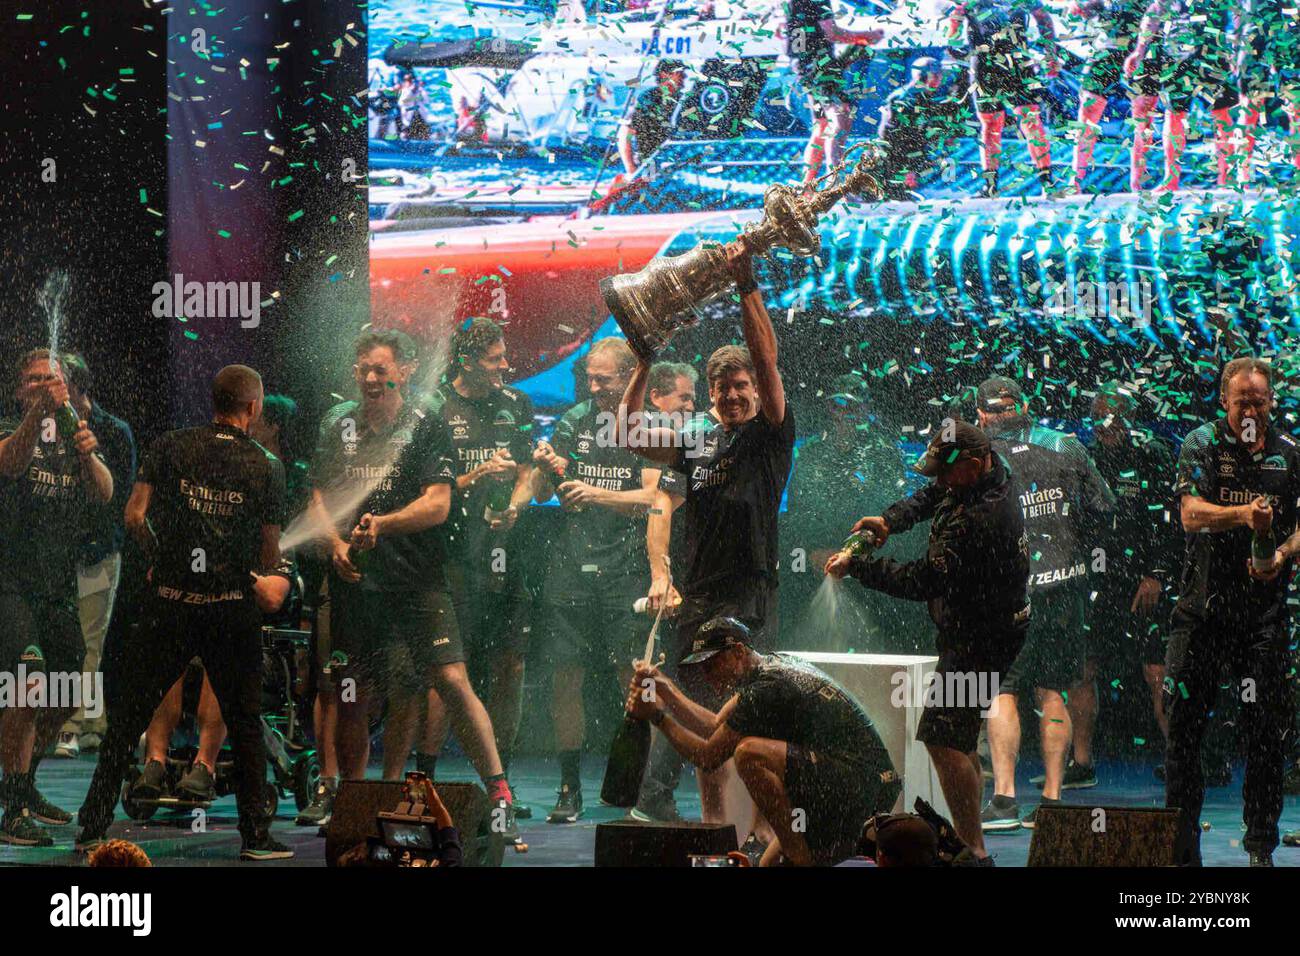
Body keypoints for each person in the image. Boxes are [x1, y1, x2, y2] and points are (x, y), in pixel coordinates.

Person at [616, 241, 796, 844]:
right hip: (697, 599)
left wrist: (747, 285)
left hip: (751, 597)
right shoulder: (695, 442)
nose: (734, 395)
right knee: (702, 726)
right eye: (724, 389)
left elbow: (769, 363)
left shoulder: (771, 434)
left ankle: (772, 840)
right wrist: (643, 361)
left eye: (741, 385)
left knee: (747, 723)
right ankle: (718, 836)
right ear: (712, 395)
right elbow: (626, 432)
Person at [307, 330, 519, 839]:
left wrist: (382, 524)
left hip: (418, 579)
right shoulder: (338, 425)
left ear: (404, 371)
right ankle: (351, 800)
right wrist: (334, 540)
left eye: (382, 369)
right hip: (356, 582)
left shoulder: (426, 424)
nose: (372, 378)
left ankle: (499, 792)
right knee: (350, 690)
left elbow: (438, 503)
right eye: (364, 369)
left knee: (449, 680)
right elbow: (319, 491)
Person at [76, 365, 288, 860]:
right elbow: (268, 551)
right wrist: (254, 576)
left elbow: (133, 516)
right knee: (247, 721)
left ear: (212, 402)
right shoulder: (265, 465)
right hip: (229, 608)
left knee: (128, 719)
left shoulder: (170, 445)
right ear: (253, 408)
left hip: (169, 603)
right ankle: (256, 838)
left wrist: (162, 561)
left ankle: (91, 826)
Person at [826, 420, 1030, 863]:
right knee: (957, 734)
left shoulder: (981, 518)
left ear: (975, 465)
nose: (939, 481)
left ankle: (972, 850)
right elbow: (933, 494)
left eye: (946, 472)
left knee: (941, 736)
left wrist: (861, 568)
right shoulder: (986, 473)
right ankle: (971, 840)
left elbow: (923, 580)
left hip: (981, 638)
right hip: (988, 625)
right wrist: (889, 521)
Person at [625, 616, 901, 866]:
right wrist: (667, 688)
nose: (707, 675)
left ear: (738, 652)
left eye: (713, 664)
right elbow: (714, 726)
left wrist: (658, 718)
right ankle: (797, 852)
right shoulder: (770, 665)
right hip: (863, 781)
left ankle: (800, 859)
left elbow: (708, 757)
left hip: (863, 785)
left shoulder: (765, 689)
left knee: (749, 753)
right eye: (702, 668)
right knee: (767, 864)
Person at [1165, 357, 1299, 867]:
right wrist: (1244, 514)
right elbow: (1190, 514)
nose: (1250, 409)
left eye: (1259, 401)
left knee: (1265, 734)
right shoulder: (1201, 443)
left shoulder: (1290, 455)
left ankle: (1261, 847)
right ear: (1224, 400)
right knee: (1184, 734)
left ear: (1271, 403)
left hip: (1262, 618)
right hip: (1201, 614)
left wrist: (1283, 553)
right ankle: (1182, 855)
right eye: (1241, 400)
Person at [531, 337, 661, 824]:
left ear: (629, 376)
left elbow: (652, 499)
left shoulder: (649, 426)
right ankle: (569, 787)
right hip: (570, 567)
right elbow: (549, 490)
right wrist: (546, 469)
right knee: (567, 676)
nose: (593, 385)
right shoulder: (572, 421)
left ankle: (635, 784)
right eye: (589, 377)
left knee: (631, 678)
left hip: (626, 569)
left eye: (603, 378)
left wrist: (595, 493)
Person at [975, 376, 1113, 831]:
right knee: (1053, 689)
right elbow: (1104, 504)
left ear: (981, 414)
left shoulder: (978, 454)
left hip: (1008, 591)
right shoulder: (1066, 445)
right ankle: (1052, 799)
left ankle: (1004, 799)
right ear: (1024, 406)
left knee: (1002, 690)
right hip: (1065, 587)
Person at [417, 318, 536, 818]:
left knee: (510, 666)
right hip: (450, 561)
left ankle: (501, 781)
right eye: (495, 360)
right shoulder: (434, 410)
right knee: (449, 674)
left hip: (507, 561)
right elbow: (429, 490)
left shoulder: (517, 405)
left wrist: (516, 504)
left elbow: (529, 468)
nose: (505, 367)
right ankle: (422, 778)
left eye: (505, 357)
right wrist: (476, 475)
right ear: (466, 361)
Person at [0, 350, 113, 845]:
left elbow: (105, 494)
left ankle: (24, 787)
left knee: (67, 690)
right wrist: (35, 417)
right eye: (34, 380)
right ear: (20, 388)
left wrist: (87, 450)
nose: (45, 386)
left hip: (57, 584)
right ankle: (10, 806)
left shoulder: (75, 429)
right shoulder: (10, 423)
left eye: (53, 380)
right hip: (11, 581)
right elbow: (10, 463)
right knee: (28, 681)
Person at [1065, 387, 1179, 785]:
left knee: (1157, 670)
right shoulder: (1083, 457)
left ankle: (1179, 757)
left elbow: (1169, 520)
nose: (1106, 424)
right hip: (1096, 582)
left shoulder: (1151, 455)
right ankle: (1081, 763)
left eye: (1114, 415)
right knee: (1084, 667)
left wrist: (1158, 575)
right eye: (1098, 416)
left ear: (1129, 417)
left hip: (1143, 582)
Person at [781, 374, 929, 654]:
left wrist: (855, 556)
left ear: (867, 409)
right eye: (839, 405)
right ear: (829, 408)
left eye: (853, 407)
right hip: (817, 564)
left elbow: (892, 516)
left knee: (875, 650)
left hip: (868, 570)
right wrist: (813, 551)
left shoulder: (885, 454)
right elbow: (796, 514)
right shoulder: (811, 454)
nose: (845, 413)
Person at [127, 562, 293, 804]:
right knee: (168, 649)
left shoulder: (277, 556)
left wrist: (235, 569)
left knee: (223, 650)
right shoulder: (200, 549)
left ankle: (205, 764)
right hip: (198, 646)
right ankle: (155, 762)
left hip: (259, 655)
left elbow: (272, 598)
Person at [631, 360, 716, 823]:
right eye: (686, 397)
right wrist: (661, 573)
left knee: (708, 695)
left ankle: (722, 812)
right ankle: (654, 796)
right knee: (692, 692)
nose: (694, 405)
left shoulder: (754, 438)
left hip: (740, 589)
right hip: (696, 591)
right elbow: (661, 502)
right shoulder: (694, 440)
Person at [54, 353, 136, 759]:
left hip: (98, 550)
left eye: (56, 382)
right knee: (75, 640)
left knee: (89, 640)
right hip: (59, 550)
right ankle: (93, 721)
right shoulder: (52, 428)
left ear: (74, 387)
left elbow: (121, 497)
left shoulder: (113, 431)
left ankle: (70, 725)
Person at [947, 0, 1061, 196]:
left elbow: (1043, 17)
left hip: (1018, 62)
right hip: (984, 65)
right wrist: (955, 23)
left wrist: (1051, 52)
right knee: (991, 124)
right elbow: (953, 36)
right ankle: (990, 186)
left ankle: (1047, 182)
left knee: (1030, 119)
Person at [1123, 0, 1241, 191]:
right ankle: (1171, 179)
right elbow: (1154, 11)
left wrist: (1236, 47)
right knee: (1174, 113)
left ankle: (1226, 178)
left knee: (1221, 113)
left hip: (1213, 49)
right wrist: (1140, 50)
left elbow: (1237, 9)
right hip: (1178, 51)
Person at [1067, 0, 1165, 192]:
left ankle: (1138, 183)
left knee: (1143, 116)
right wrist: (1083, 6)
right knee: (1088, 108)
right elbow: (1077, 9)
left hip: (1146, 44)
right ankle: (1075, 180)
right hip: (1108, 44)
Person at [786, 0, 885, 185]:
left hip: (807, 65)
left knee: (822, 126)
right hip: (818, 67)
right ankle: (835, 184)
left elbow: (788, 29)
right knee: (840, 119)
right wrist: (866, 35)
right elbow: (833, 33)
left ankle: (806, 188)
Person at [877, 57, 970, 198]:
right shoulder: (904, 100)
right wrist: (906, 171)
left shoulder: (922, 97)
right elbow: (890, 140)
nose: (940, 79)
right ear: (924, 76)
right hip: (893, 166)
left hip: (909, 159)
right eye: (936, 75)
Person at [617, 59, 687, 176]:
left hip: (676, 165)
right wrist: (631, 170)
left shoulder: (683, 101)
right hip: (650, 165)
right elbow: (626, 133)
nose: (684, 76)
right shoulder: (649, 99)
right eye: (679, 73)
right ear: (664, 74)